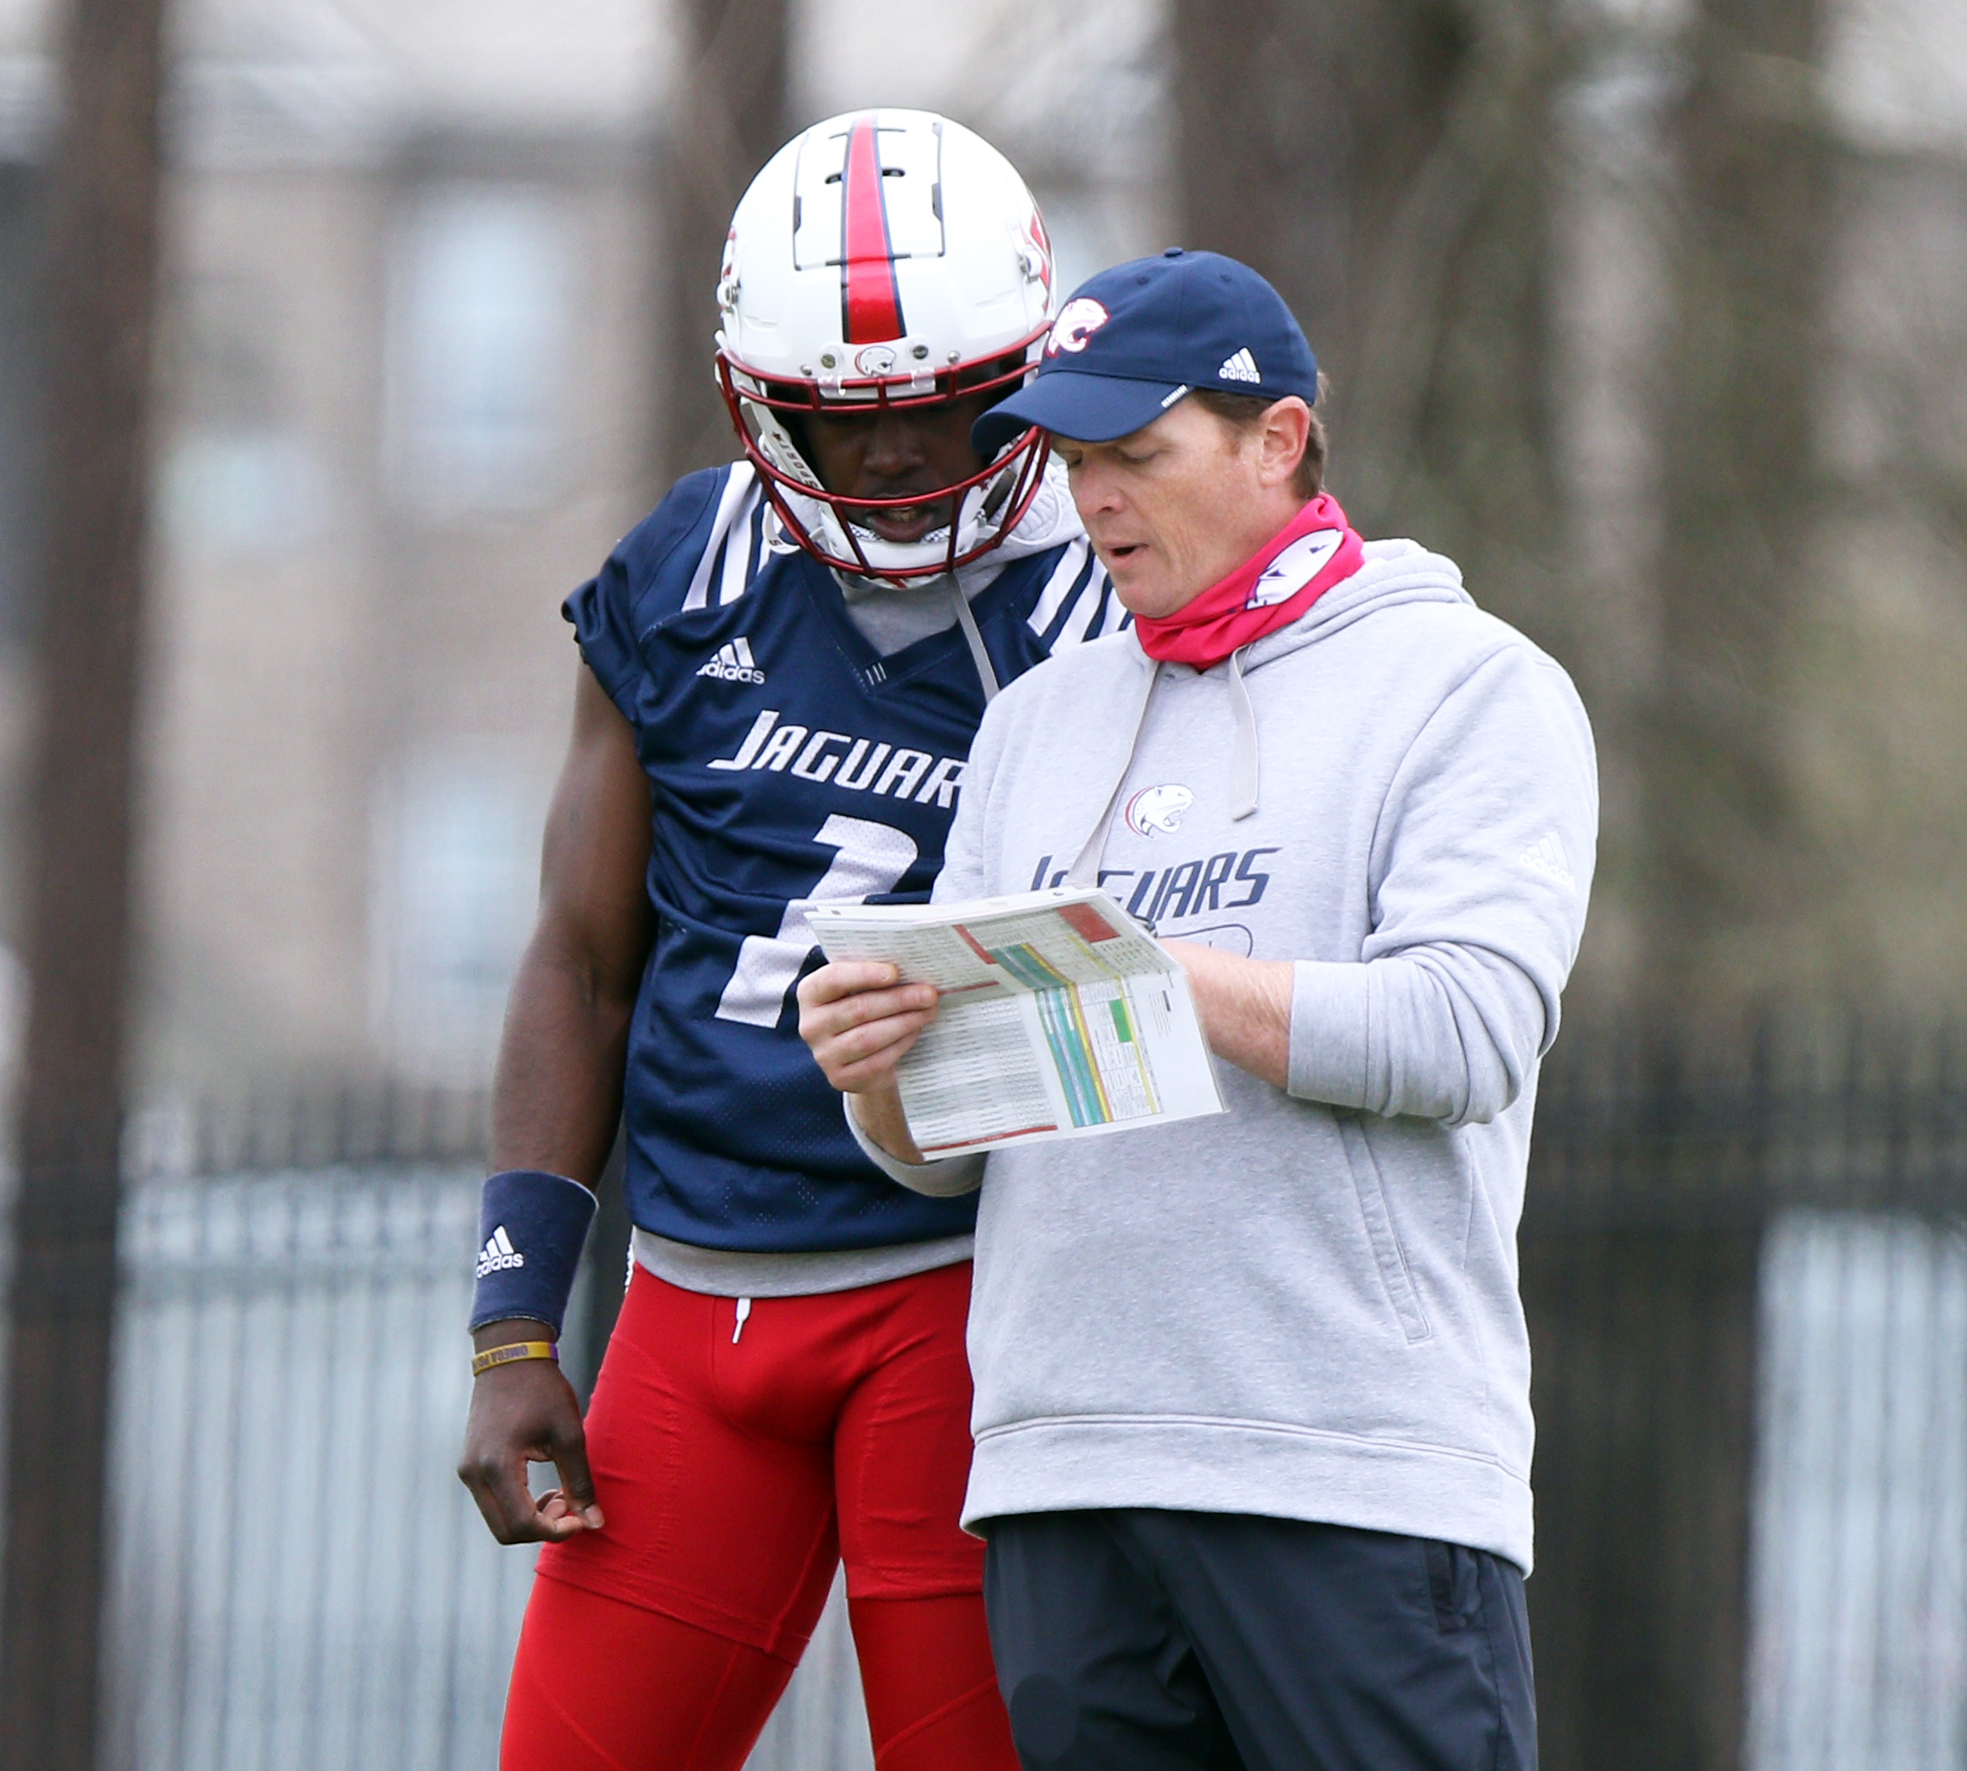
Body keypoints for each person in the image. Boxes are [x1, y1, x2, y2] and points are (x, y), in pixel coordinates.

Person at [800, 248, 1597, 1771]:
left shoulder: (1469, 685)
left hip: (1351, 1475)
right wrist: (881, 1075)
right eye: (1072, 460)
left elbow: (1465, 1034)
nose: (1093, 499)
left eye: (1136, 453)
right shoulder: (1033, 724)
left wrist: (1145, 968)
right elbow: (944, 1156)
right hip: (1062, 1478)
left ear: (1277, 440)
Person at [456, 110, 1127, 1771]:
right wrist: (514, 1326)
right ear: (760, 400)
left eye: (938, 408)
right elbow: (579, 959)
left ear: (1022, 379)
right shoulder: (687, 570)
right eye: (843, 418)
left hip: (969, 1307)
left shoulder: (1111, 602)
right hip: (689, 1308)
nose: (893, 462)